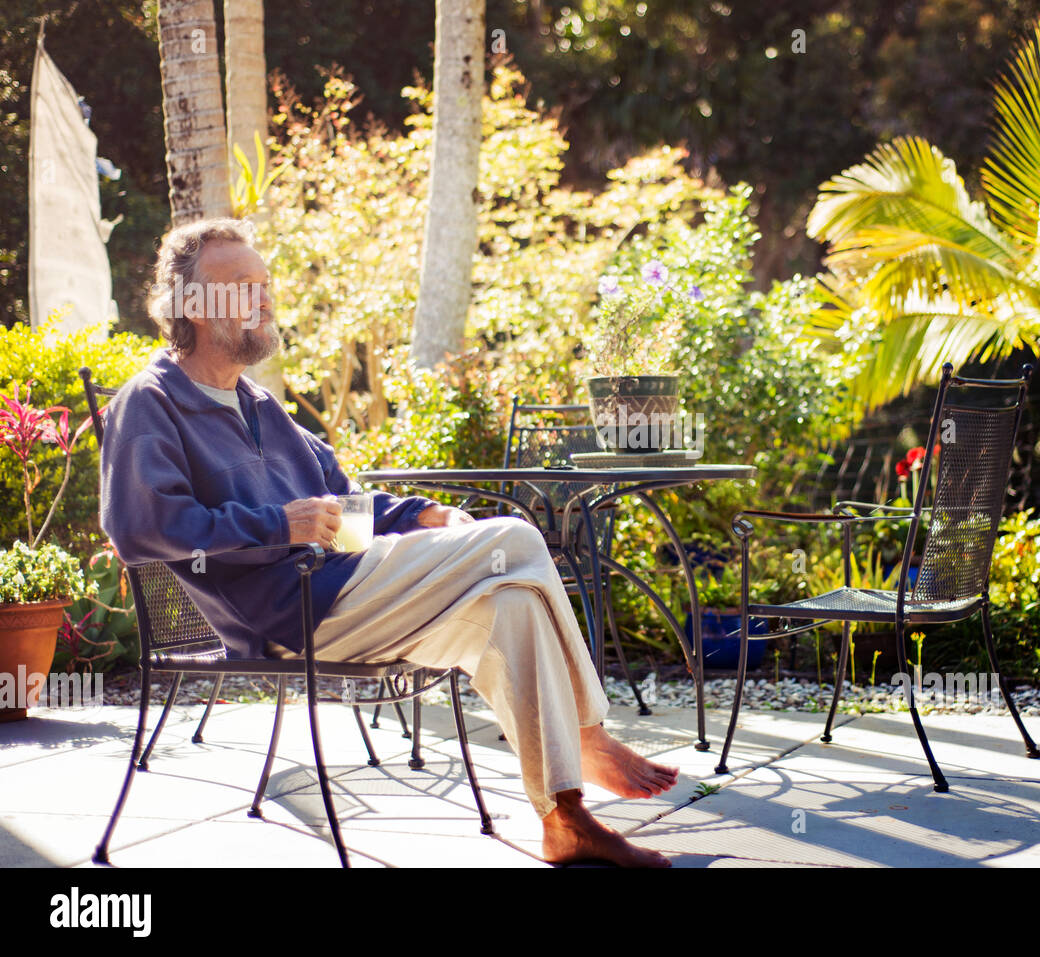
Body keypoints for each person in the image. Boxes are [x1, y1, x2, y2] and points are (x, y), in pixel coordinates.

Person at [100, 218, 677, 867]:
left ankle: (562, 815)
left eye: (266, 283)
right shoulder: (149, 403)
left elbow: (341, 510)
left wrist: (419, 514)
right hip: (291, 615)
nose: (264, 298)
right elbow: (139, 528)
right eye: (244, 286)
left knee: (511, 606)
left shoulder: (261, 405)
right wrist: (278, 526)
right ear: (194, 306)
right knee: (514, 540)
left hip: (349, 593)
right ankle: (591, 735)